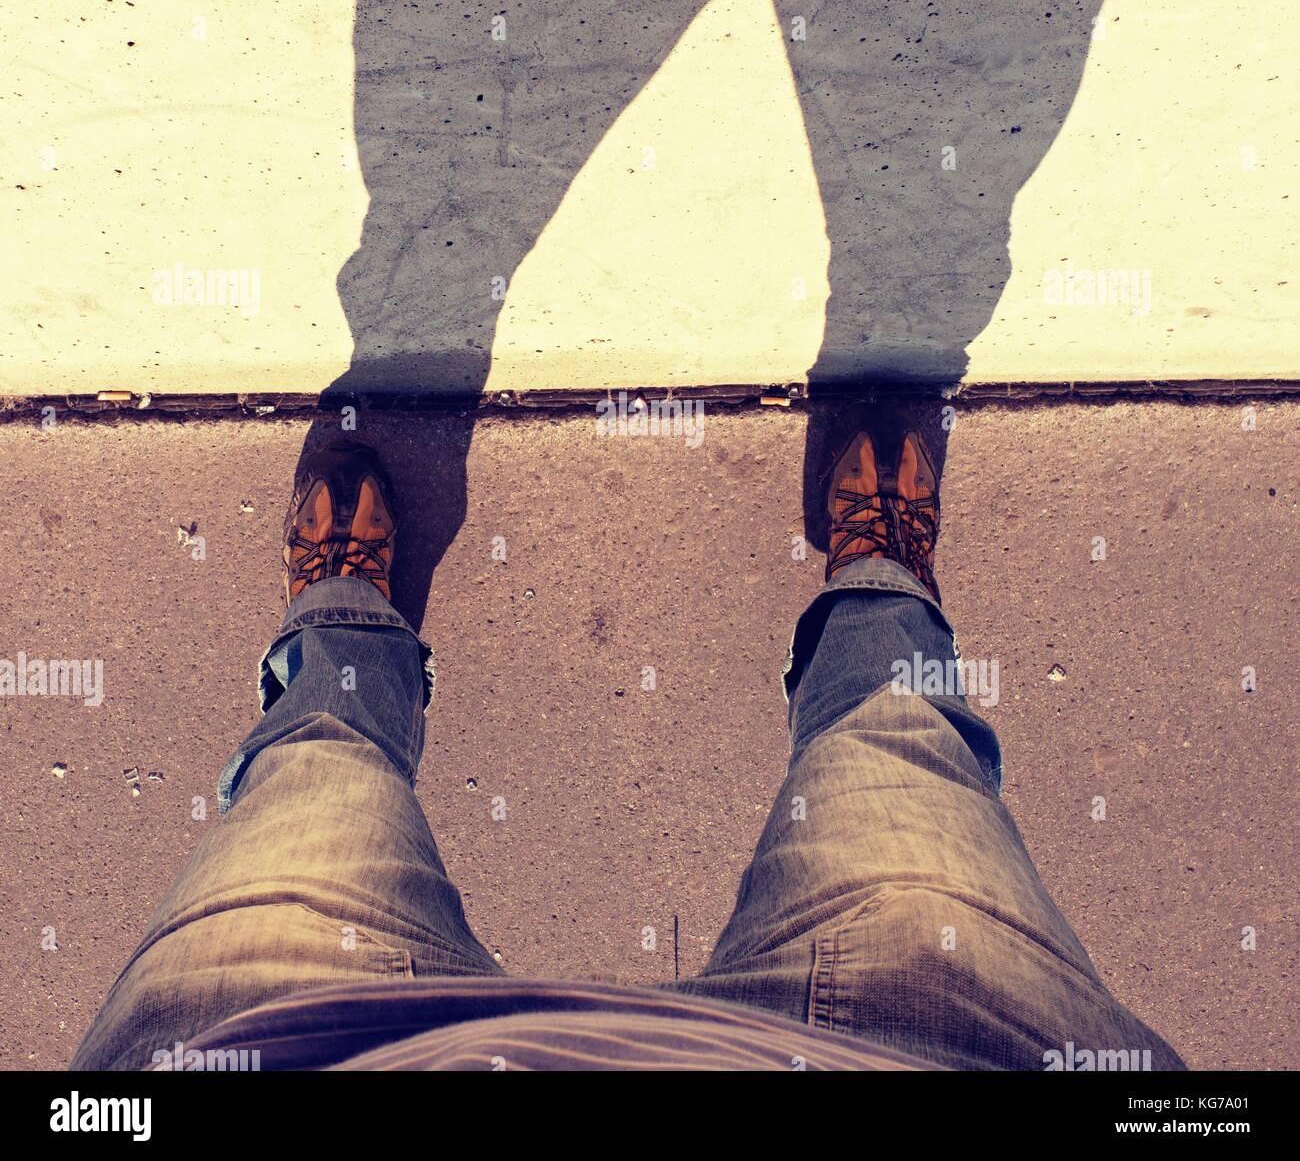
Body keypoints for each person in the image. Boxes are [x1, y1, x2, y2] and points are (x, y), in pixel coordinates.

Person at [71, 425, 1184, 1071]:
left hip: (295, 1043)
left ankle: (343, 615)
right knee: (893, 743)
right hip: (927, 1042)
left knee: (318, 775)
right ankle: (880, 576)